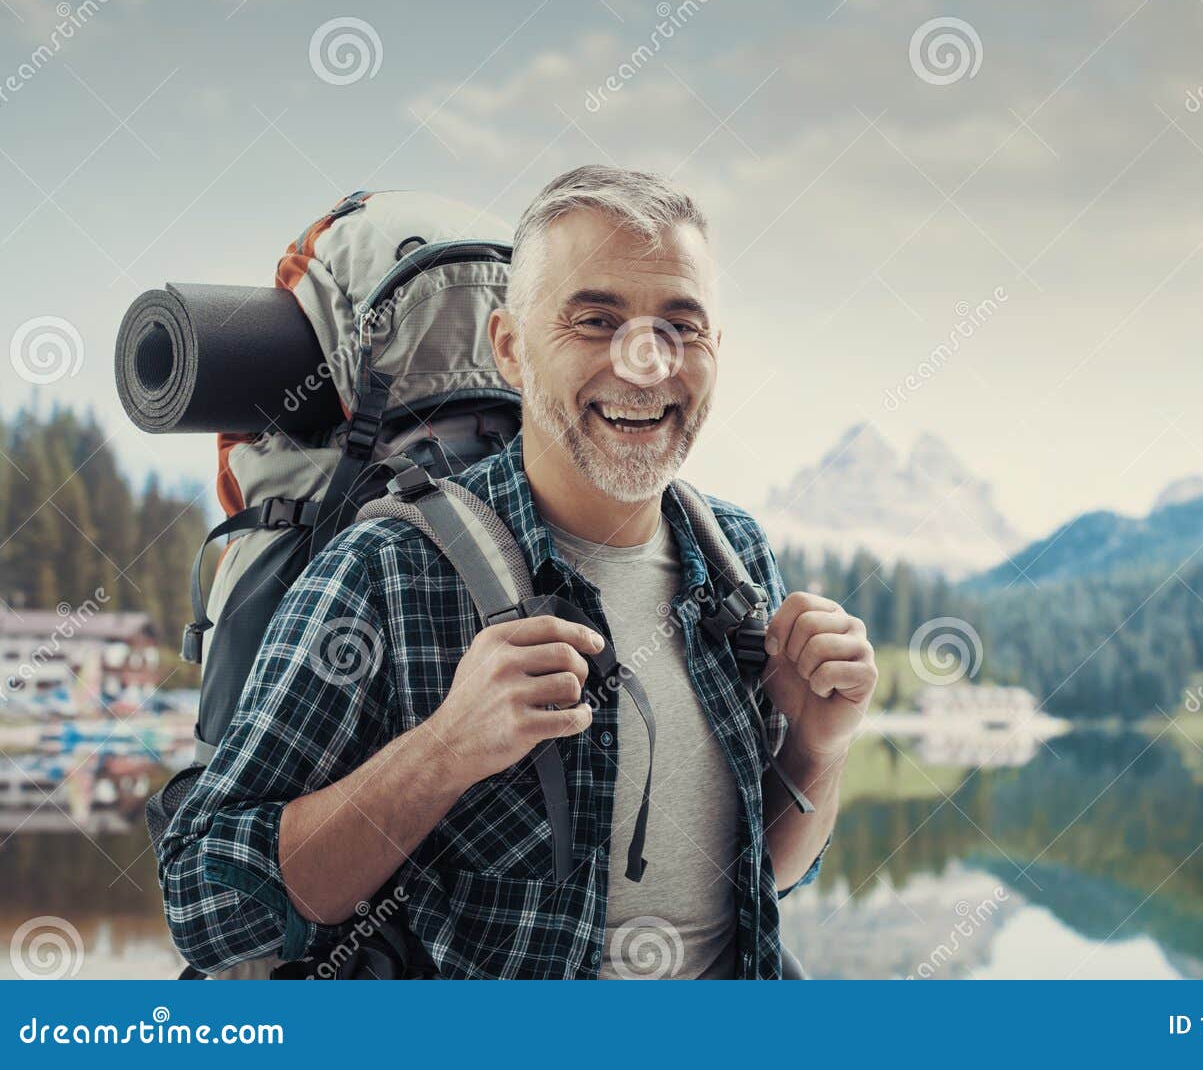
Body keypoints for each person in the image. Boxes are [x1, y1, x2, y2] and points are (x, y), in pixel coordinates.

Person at [158, 165, 876, 979]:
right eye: (596, 320)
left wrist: (819, 748)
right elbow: (206, 906)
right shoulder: (390, 570)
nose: (645, 362)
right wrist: (446, 750)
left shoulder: (735, 556)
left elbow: (760, 885)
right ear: (509, 349)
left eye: (682, 324)